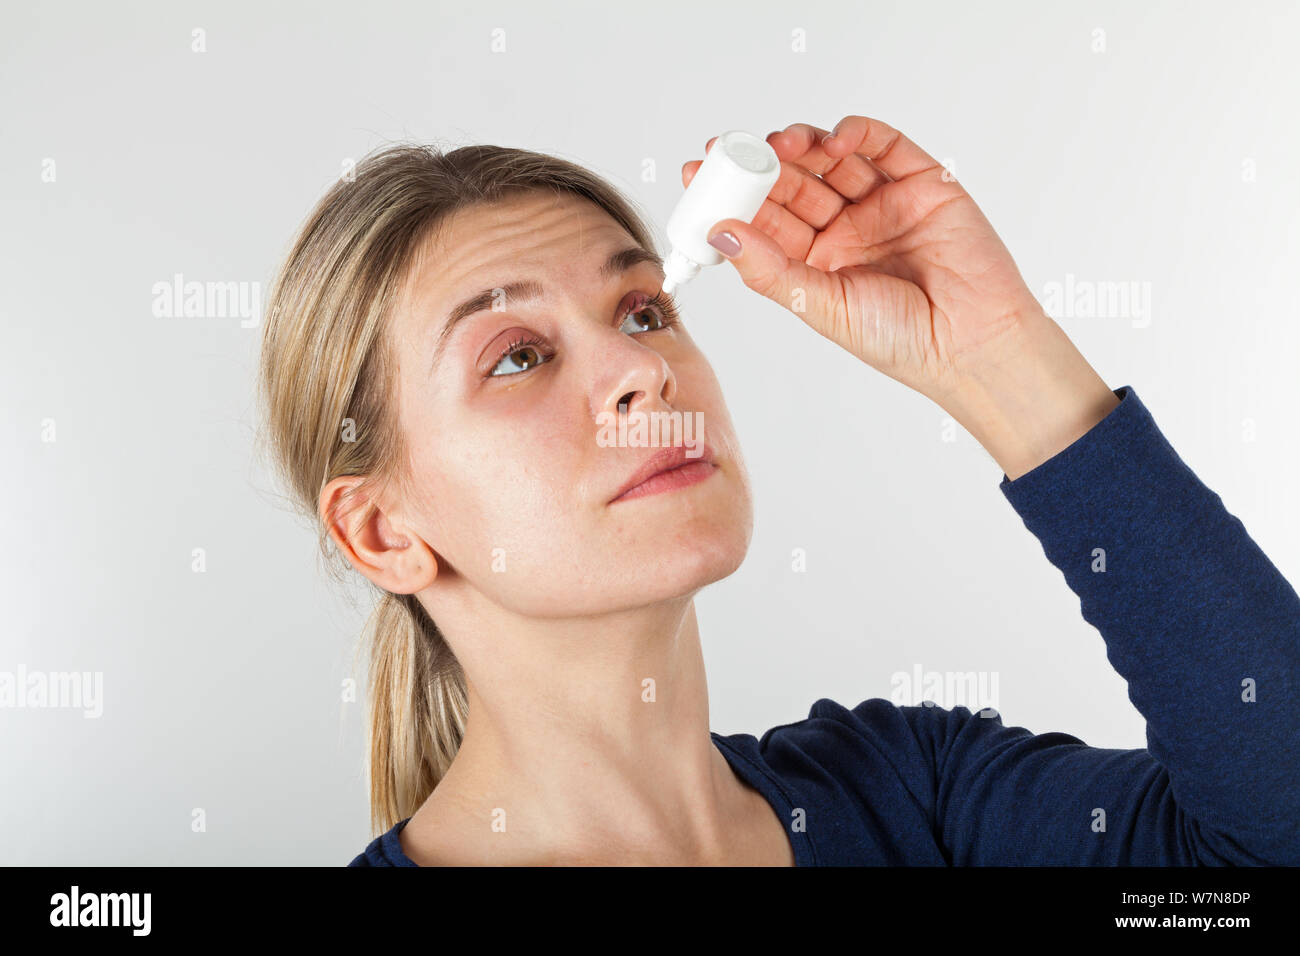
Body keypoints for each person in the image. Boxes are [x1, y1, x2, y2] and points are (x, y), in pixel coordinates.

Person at [256, 116, 1300, 866]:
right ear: (383, 530)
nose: (642, 371)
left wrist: (996, 356)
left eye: (641, 311)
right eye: (519, 355)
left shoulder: (912, 792)